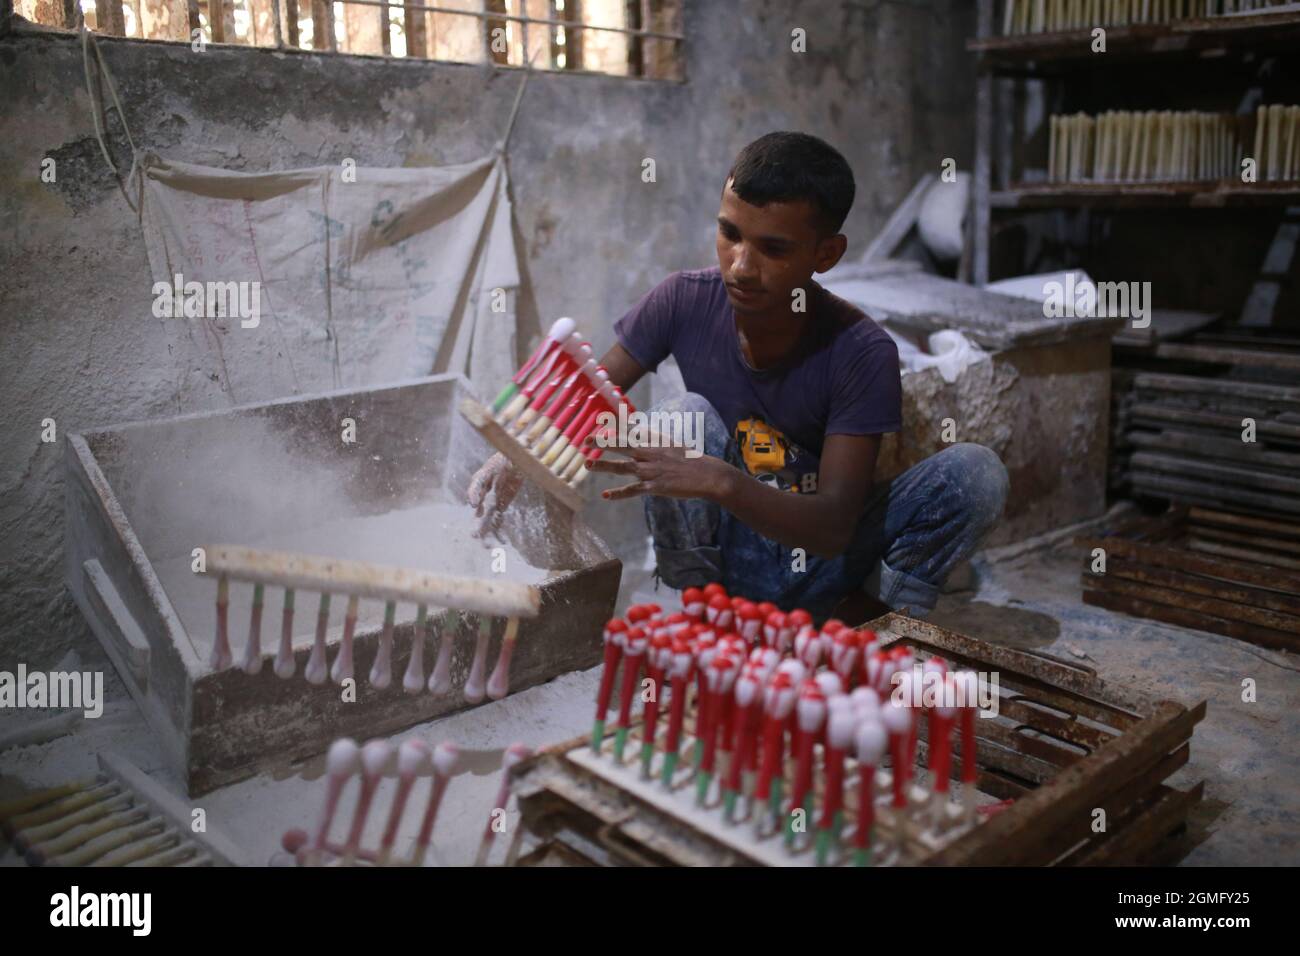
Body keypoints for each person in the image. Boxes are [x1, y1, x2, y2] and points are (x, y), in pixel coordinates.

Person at [468, 131, 1008, 622]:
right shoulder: (683, 298)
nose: (740, 266)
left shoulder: (860, 349)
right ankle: (706, 614)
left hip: (823, 560)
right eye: (730, 234)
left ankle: (860, 629)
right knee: (685, 418)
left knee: (976, 473)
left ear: (827, 254)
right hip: (730, 557)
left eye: (773, 248)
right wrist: (516, 453)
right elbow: (593, 390)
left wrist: (722, 480)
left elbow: (834, 525)